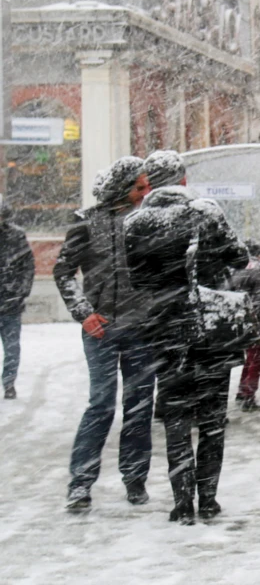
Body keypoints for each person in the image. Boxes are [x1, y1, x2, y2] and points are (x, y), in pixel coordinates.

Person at [125, 150, 249, 524]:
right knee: (212, 417)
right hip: (212, 328)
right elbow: (240, 257)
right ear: (182, 180)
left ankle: (182, 503)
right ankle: (208, 498)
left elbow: (138, 280)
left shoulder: (135, 223)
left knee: (176, 416)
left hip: (167, 329)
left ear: (151, 183)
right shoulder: (206, 212)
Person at [55, 157, 153, 511]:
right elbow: (63, 272)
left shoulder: (148, 219)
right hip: (101, 330)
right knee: (100, 405)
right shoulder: (86, 222)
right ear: (121, 188)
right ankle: (80, 484)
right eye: (140, 187)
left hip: (142, 329)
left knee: (140, 407)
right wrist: (84, 314)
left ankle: (135, 479)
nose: (147, 192)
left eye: (147, 186)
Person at [0, 199, 34, 401]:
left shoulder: (16, 236)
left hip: (11, 302)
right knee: (12, 346)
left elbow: (28, 267)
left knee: (12, 347)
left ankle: (9, 383)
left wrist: (21, 292)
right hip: (11, 298)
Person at [232, 240, 260, 412]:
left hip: (239, 320)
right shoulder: (258, 271)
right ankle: (248, 396)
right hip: (254, 320)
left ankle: (242, 392)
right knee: (256, 360)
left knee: (249, 358)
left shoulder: (236, 270)